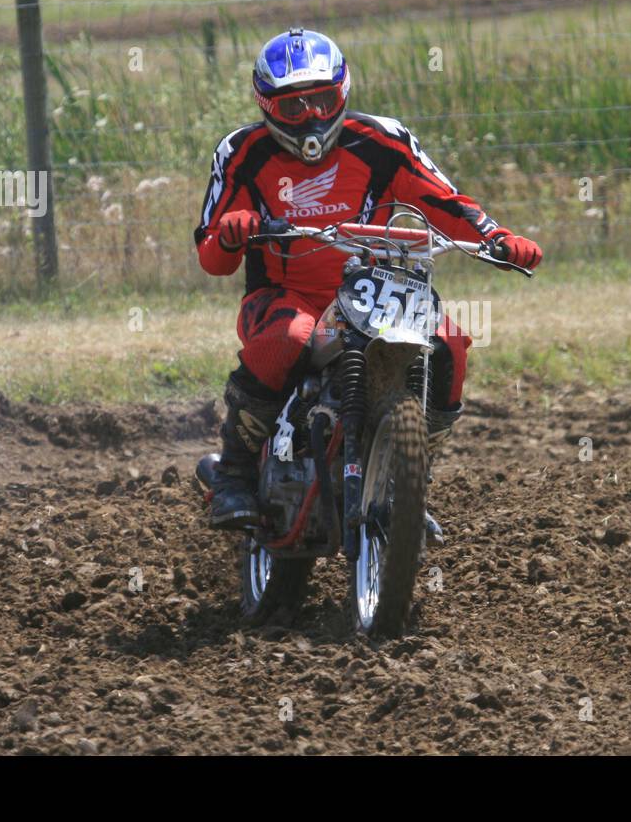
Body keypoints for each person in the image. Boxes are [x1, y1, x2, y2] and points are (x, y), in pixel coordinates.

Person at [194, 28, 542, 528]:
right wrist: (230, 235)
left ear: (344, 91)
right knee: (290, 337)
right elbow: (213, 259)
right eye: (294, 108)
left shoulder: (383, 140)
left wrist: (497, 237)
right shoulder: (241, 152)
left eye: (322, 100)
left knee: (449, 343)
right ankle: (233, 474)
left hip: (374, 290)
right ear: (265, 106)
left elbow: (443, 202)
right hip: (282, 297)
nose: (311, 118)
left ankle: (406, 476)